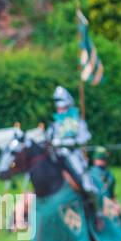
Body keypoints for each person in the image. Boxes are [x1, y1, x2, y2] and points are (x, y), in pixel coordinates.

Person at [47, 86, 100, 229]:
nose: (60, 110)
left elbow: (84, 137)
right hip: (56, 156)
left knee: (86, 183)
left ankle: (97, 214)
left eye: (63, 107)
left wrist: (65, 142)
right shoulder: (54, 124)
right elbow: (48, 139)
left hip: (73, 155)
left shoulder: (77, 122)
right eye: (58, 107)